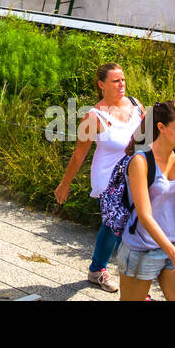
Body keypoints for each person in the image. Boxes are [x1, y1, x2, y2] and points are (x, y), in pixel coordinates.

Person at [55, 62, 144, 293]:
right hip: (108, 180)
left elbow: (149, 142)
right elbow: (79, 154)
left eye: (123, 79)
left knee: (133, 225)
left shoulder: (136, 106)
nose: (121, 84)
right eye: (116, 80)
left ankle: (135, 276)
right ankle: (98, 270)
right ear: (102, 85)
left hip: (134, 177)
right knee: (113, 225)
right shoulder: (93, 116)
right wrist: (64, 186)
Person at [118, 100, 175, 301]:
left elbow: (172, 206)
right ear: (161, 127)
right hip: (143, 249)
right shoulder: (140, 161)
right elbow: (145, 215)